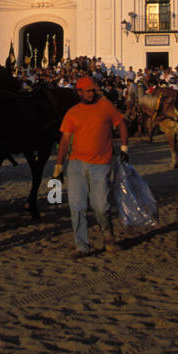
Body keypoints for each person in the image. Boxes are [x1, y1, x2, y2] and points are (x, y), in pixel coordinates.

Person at [53, 77, 128, 258]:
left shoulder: (105, 106)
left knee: (100, 206)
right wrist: (58, 165)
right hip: (76, 165)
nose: (91, 93)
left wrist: (125, 147)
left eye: (93, 90)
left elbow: (121, 124)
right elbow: (64, 141)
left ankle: (108, 236)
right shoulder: (72, 113)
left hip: (100, 165)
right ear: (79, 92)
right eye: (87, 91)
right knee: (77, 207)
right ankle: (82, 246)